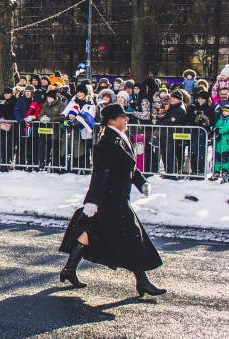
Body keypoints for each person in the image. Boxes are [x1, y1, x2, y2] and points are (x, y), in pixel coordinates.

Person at [58, 104, 166, 297]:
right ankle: (142, 281)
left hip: (117, 196)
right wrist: (92, 201)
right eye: (123, 117)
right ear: (112, 121)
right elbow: (100, 174)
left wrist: (141, 182)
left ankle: (69, 269)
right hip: (110, 199)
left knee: (90, 231)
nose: (127, 119)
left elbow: (129, 167)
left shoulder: (121, 138)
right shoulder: (107, 142)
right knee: (133, 236)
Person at [213, 105, 229, 182]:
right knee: (217, 155)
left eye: (226, 111)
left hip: (226, 140)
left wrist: (220, 131)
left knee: (225, 156)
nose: (224, 112)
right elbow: (217, 125)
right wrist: (215, 128)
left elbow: (227, 127)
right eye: (223, 111)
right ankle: (217, 171)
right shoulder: (222, 118)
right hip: (219, 140)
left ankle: (225, 171)